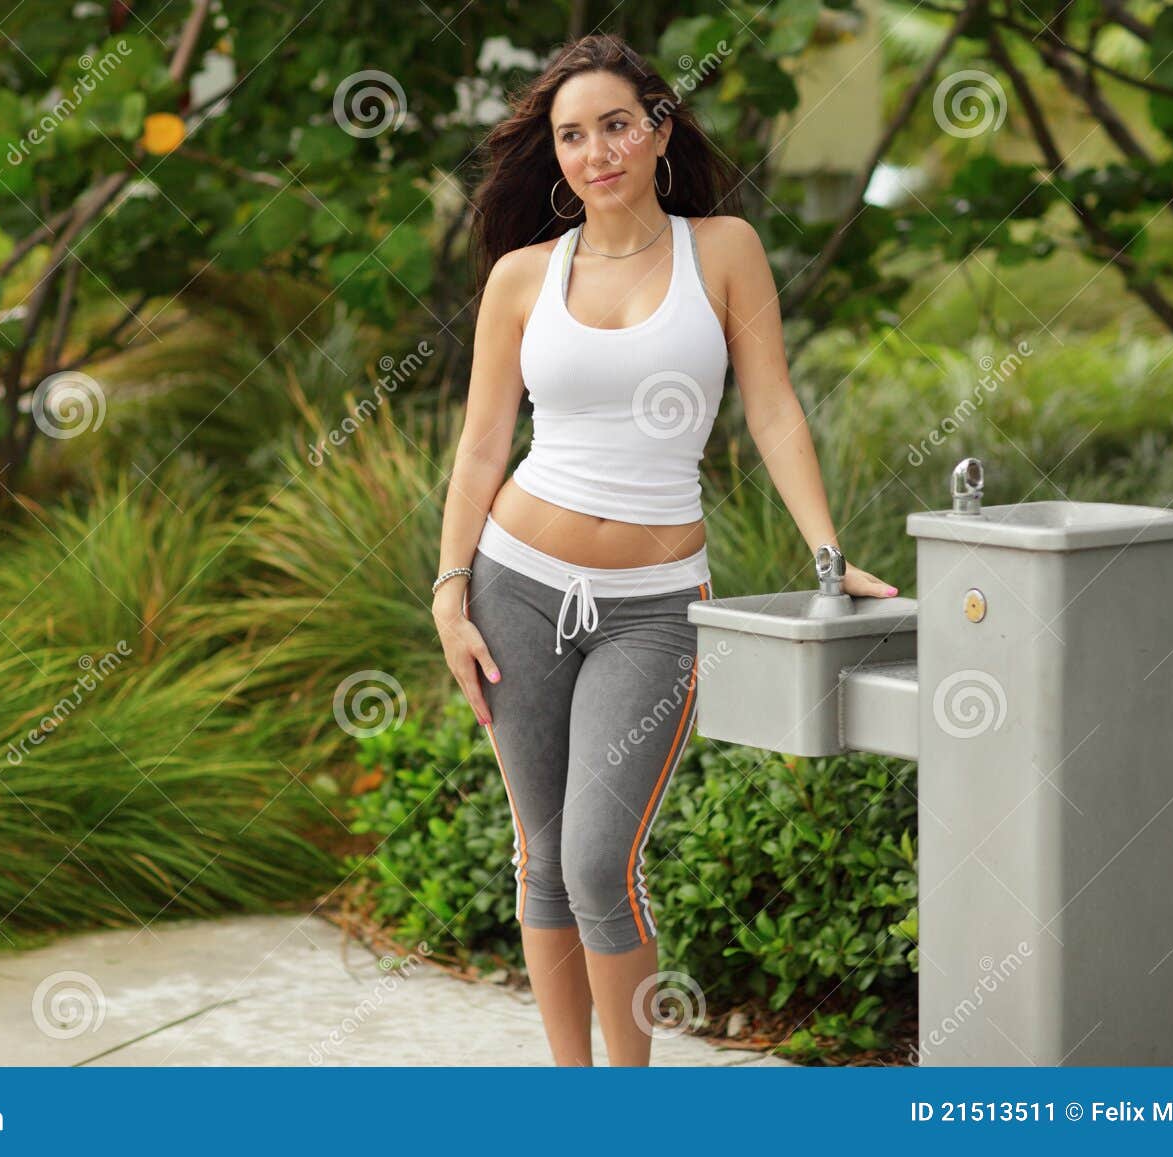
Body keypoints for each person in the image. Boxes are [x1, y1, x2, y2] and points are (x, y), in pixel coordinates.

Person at [430, 32, 898, 1067]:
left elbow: (772, 407)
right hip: (516, 580)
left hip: (653, 604)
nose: (595, 150)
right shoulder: (520, 276)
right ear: (552, 156)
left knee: (602, 858)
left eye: (613, 125)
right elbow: (478, 447)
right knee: (542, 856)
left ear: (656, 128)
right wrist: (450, 588)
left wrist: (828, 554)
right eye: (570, 135)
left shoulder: (721, 249)